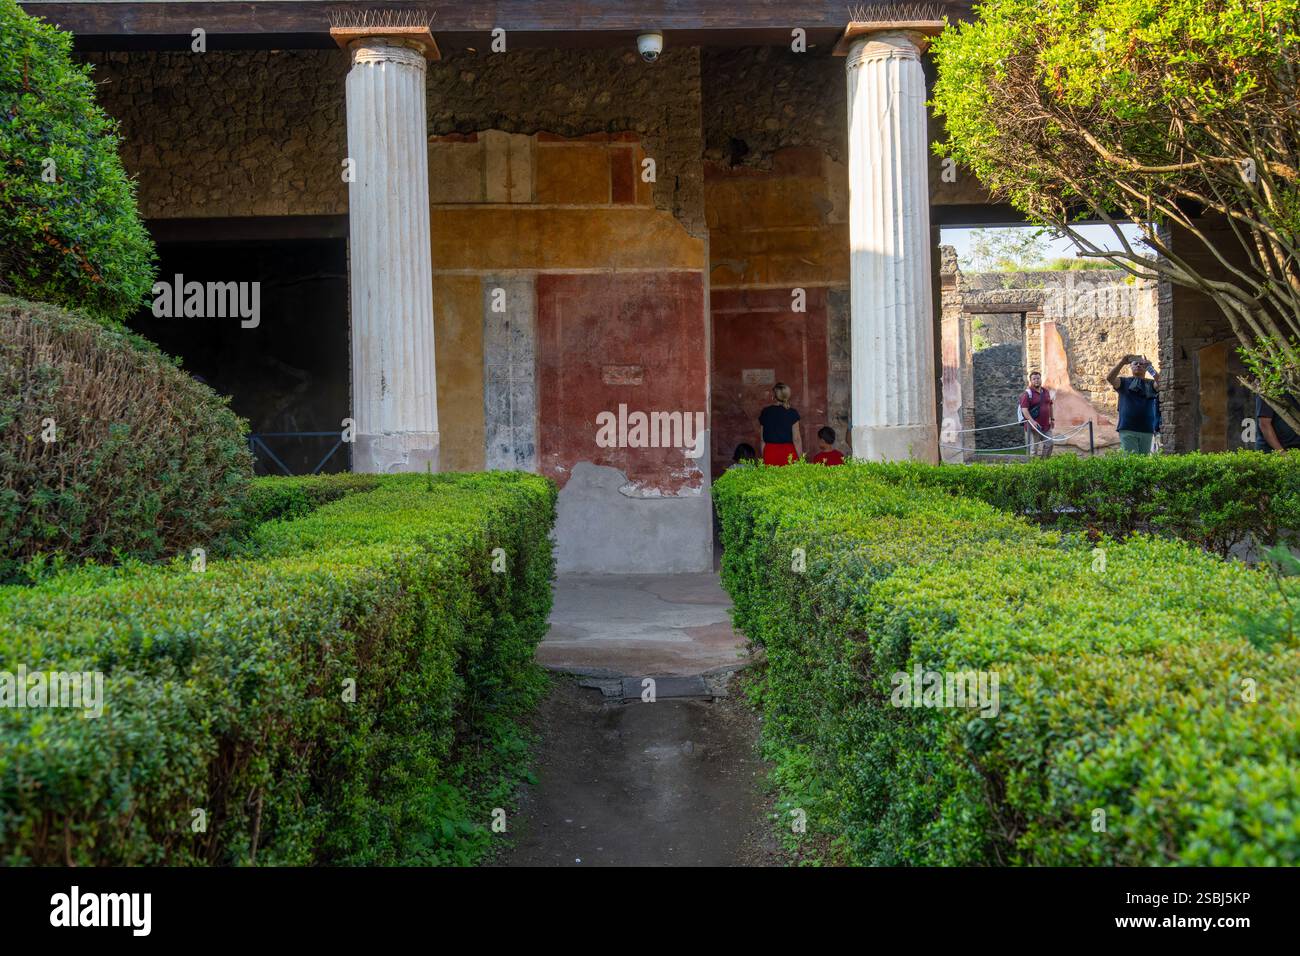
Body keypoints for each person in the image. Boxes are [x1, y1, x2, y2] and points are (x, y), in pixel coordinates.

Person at [1106, 353, 1160, 454]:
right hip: (1128, 428)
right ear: (1130, 366)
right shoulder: (1123, 382)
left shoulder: (1151, 384)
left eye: (1141, 364)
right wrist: (1122, 362)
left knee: (1143, 463)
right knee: (1132, 462)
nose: (1138, 365)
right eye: (1135, 363)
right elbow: (1110, 378)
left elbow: (1161, 383)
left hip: (1146, 429)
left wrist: (1150, 368)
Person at [758, 382, 802, 465]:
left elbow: (762, 439)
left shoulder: (765, 412)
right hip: (788, 453)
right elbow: (796, 439)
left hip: (770, 452)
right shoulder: (792, 413)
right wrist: (800, 460)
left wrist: (764, 457)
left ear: (774, 396)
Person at [1018, 371, 1055, 458]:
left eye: (1038, 378)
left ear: (1040, 379)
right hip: (1033, 426)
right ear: (1031, 381)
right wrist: (1032, 422)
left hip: (1046, 425)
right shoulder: (1027, 394)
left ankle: (1043, 464)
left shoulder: (1046, 391)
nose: (1036, 380)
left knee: (1050, 444)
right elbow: (1024, 410)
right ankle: (1033, 468)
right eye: (1034, 379)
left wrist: (1052, 419)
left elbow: (1050, 405)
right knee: (1033, 450)